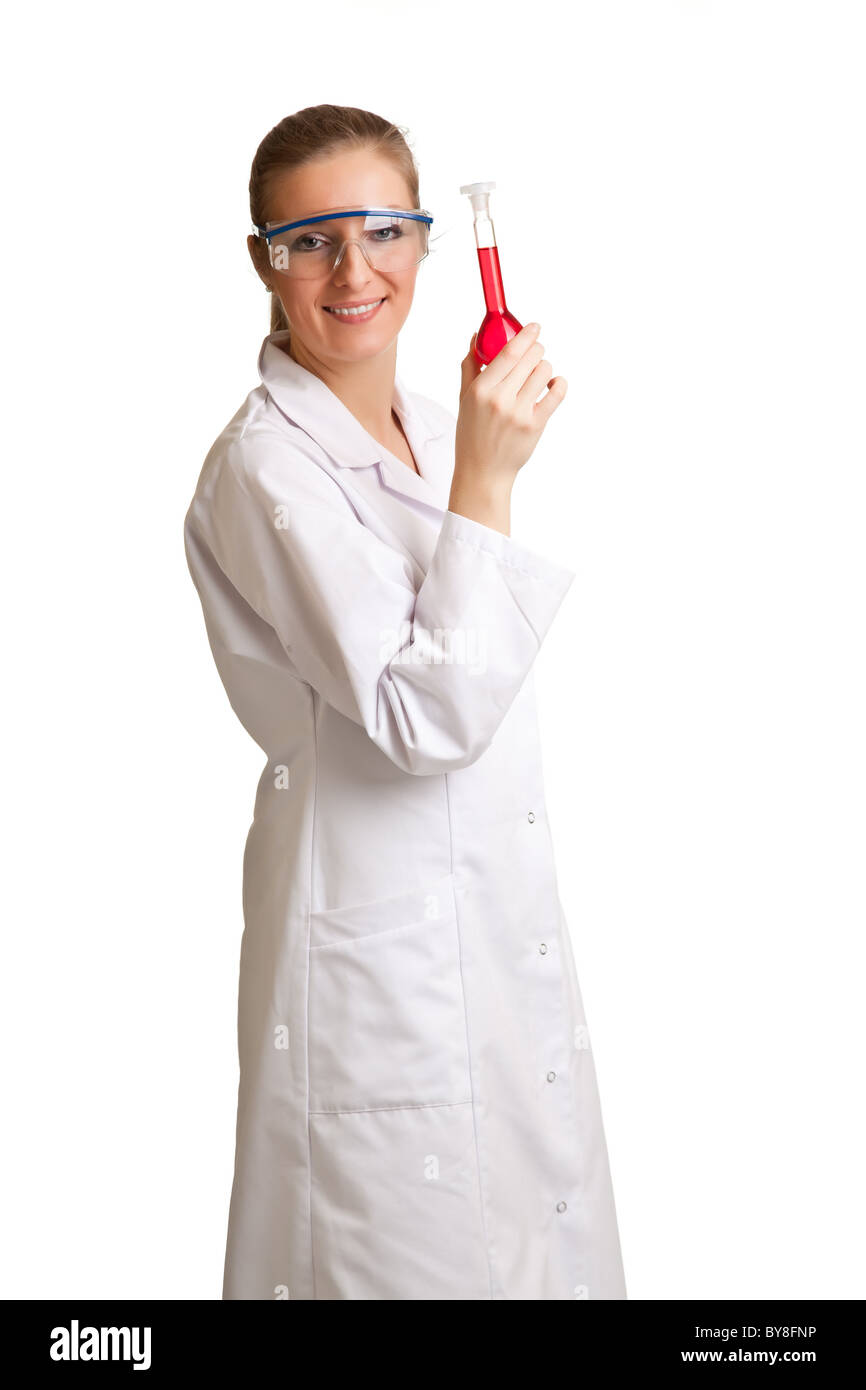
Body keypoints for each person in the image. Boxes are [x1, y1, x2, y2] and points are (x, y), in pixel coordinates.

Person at [183, 103, 627, 1301]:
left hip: (487, 952)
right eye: (310, 238)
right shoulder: (264, 466)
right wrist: (490, 478)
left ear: (428, 244)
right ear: (262, 261)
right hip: (378, 986)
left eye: (383, 229)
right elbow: (419, 715)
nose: (353, 268)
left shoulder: (433, 433)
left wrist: (472, 461)